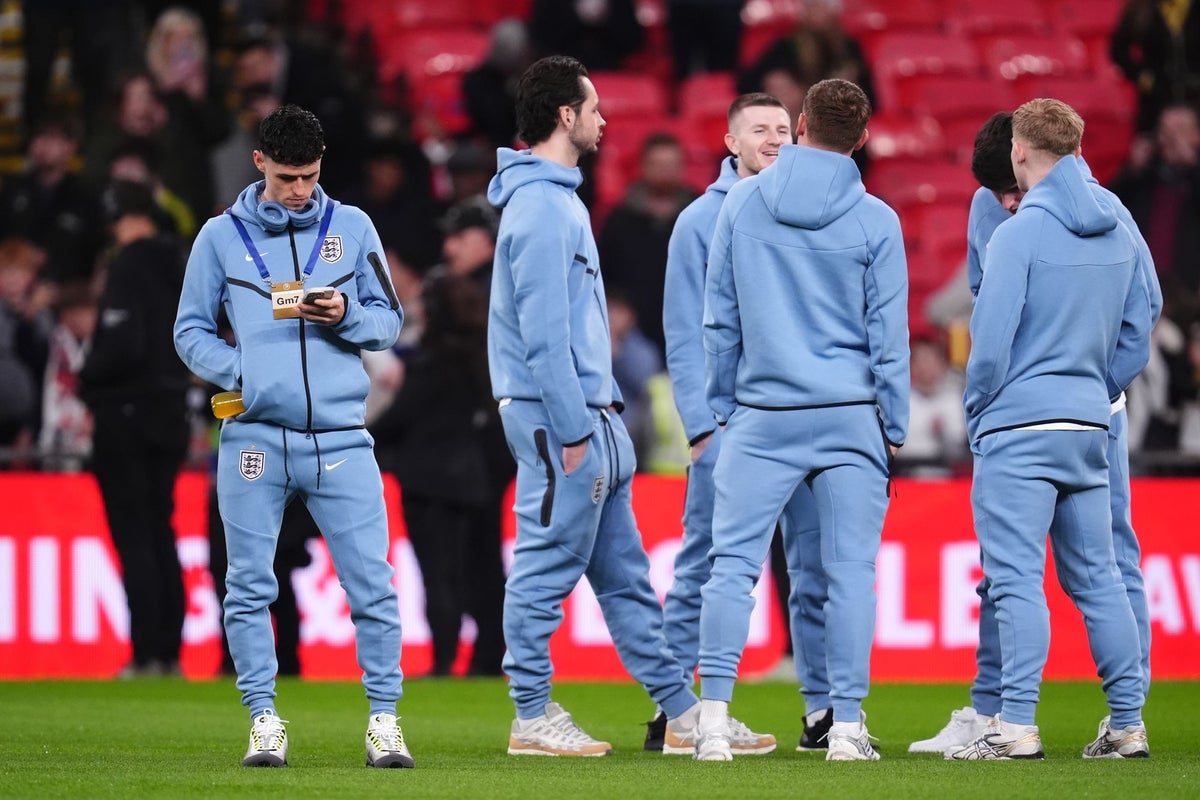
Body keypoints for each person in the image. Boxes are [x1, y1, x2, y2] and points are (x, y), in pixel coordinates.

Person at [914, 110, 1162, 756]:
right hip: (1088, 422)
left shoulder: (1018, 234)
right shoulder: (1117, 217)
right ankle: (1128, 725)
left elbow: (988, 343)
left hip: (1020, 424)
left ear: (1020, 151)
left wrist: (979, 408)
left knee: (1016, 576)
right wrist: (1100, 383)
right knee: (1100, 576)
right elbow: (1147, 311)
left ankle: (1015, 724)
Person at [173, 104, 414, 769]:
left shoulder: (354, 226)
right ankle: (263, 720)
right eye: (286, 178)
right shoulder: (220, 237)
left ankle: (385, 723)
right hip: (254, 435)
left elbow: (388, 322)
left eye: (309, 176)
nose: (300, 191)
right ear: (259, 165)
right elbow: (189, 330)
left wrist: (345, 315)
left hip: (340, 436)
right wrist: (242, 372)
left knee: (373, 583)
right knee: (248, 585)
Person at [487, 54, 701, 757]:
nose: (605, 119)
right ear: (565, 116)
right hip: (564, 420)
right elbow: (545, 336)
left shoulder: (560, 200)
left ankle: (680, 713)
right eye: (595, 107)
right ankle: (530, 715)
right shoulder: (544, 208)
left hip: (588, 416)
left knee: (626, 579)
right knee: (544, 568)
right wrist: (577, 428)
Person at [696, 78, 908, 762]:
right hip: (850, 418)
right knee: (850, 575)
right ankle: (846, 727)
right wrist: (894, 424)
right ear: (864, 138)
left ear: (801, 123)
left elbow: (719, 314)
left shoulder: (744, 201)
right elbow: (889, 336)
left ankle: (711, 724)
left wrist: (724, 401)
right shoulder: (877, 219)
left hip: (763, 413)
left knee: (731, 567)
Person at [653, 92, 798, 756]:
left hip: (801, 417)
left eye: (785, 129)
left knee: (813, 568)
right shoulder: (698, 221)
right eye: (760, 129)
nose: (775, 138)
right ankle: (675, 710)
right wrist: (702, 424)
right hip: (730, 423)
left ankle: (825, 712)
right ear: (730, 140)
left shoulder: (805, 213)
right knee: (705, 564)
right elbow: (683, 332)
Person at [79, 180, 191, 677]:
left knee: (135, 535)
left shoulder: (128, 265)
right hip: (170, 410)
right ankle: (169, 650)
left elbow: (123, 346)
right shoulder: (179, 265)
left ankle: (146, 651)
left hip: (126, 415)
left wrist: (84, 378)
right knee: (160, 530)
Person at [598, 131, 698, 356]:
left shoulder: (700, 214)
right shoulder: (619, 219)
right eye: (658, 164)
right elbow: (604, 276)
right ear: (642, 166)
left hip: (693, 326)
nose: (665, 171)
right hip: (631, 333)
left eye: (671, 164)